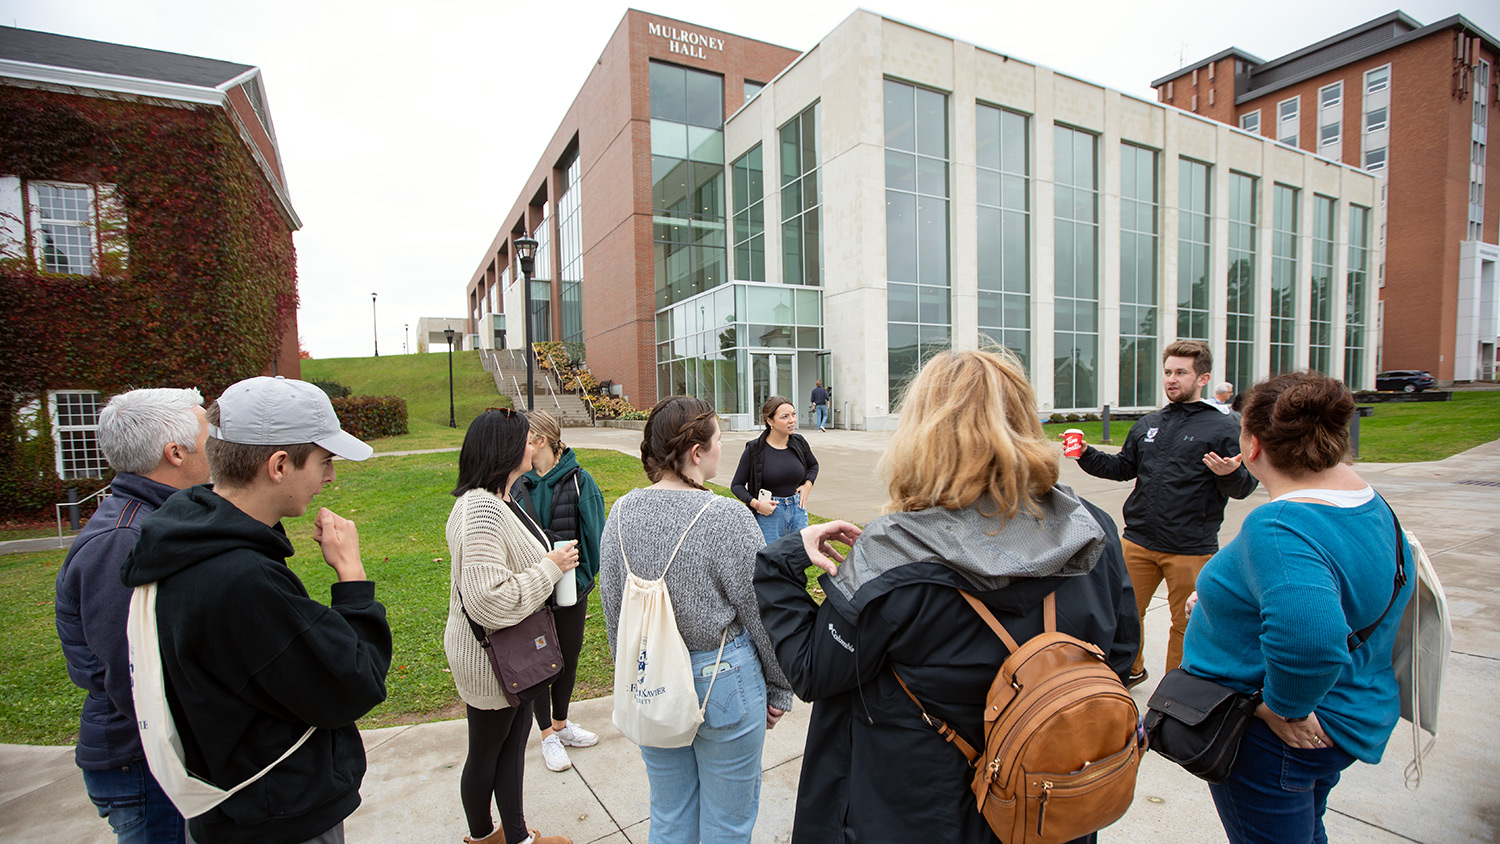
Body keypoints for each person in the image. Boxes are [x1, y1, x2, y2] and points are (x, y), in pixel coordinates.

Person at [754, 348, 1139, 844]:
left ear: (921, 433)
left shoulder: (895, 552)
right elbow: (1121, 655)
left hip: (918, 811)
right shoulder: (1090, 526)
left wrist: (781, 562)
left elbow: (812, 668)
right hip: (1044, 807)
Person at [119, 376, 391, 844]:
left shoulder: (182, 541)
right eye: (325, 461)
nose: (329, 477)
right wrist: (351, 574)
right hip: (274, 818)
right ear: (279, 465)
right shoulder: (241, 581)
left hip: (232, 808)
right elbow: (354, 682)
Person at [1180, 371, 1416, 844]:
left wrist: (1284, 708)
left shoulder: (1281, 525)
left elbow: (1312, 642)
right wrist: (1217, 602)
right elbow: (1340, 588)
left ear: (1252, 445)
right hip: (1344, 713)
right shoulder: (1365, 502)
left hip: (1278, 740)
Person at [599, 395, 794, 844]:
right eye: (720, 440)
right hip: (724, 680)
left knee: (669, 816)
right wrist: (781, 685)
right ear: (696, 452)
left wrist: (630, 674)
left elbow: (615, 608)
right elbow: (759, 610)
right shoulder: (726, 516)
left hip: (652, 680)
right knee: (728, 823)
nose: (724, 448)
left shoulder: (623, 511)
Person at [56, 388, 209, 843]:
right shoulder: (123, 541)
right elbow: (132, 675)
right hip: (143, 763)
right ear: (176, 453)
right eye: (208, 435)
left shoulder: (158, 520)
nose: (217, 445)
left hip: (156, 755)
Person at [1070, 339, 1257, 687]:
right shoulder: (1149, 423)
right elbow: (1122, 467)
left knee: (1186, 626)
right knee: (1121, 614)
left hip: (1189, 547)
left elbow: (1244, 487)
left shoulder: (1223, 427)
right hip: (1138, 541)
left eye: (1181, 373)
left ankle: (1174, 691)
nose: (1171, 379)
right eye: (1168, 372)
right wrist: (1084, 452)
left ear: (1203, 378)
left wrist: (1229, 474)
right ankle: (1131, 670)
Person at [446, 408, 579, 844]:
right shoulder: (480, 510)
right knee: (488, 752)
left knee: (508, 748)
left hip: (514, 654)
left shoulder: (502, 497)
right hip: (492, 659)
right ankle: (486, 838)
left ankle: (517, 835)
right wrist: (549, 568)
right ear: (502, 448)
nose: (533, 444)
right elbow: (488, 600)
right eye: (526, 438)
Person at [511, 409, 606, 773]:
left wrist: (580, 582)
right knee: (539, 665)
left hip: (570, 593)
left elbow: (594, 541)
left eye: (523, 436)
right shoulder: (515, 485)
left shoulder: (581, 481)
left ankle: (562, 725)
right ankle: (547, 735)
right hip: (532, 592)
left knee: (566, 658)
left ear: (541, 441)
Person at [730, 395, 819, 545]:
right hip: (769, 516)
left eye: (793, 414)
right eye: (785, 416)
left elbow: (813, 465)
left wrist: (808, 485)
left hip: (797, 511)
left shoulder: (799, 442)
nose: (792, 420)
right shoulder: (754, 449)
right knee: (771, 564)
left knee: (797, 561)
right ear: (770, 421)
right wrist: (757, 505)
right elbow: (736, 485)